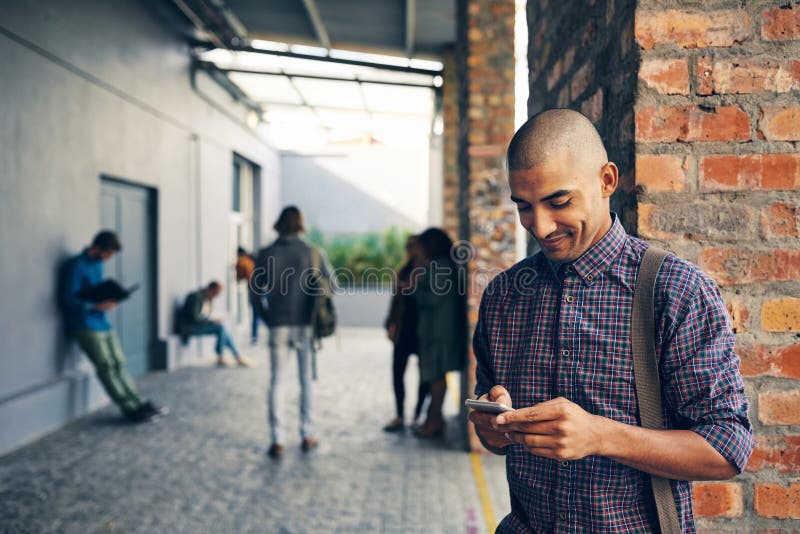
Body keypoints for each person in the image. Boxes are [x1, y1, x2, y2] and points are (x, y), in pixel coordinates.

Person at [469, 109, 754, 532]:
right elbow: (493, 438)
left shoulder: (675, 291)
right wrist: (495, 430)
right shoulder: (504, 296)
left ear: (606, 181)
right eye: (524, 207)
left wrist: (599, 435)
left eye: (558, 201)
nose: (540, 226)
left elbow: (727, 449)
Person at [60, 230, 167, 423]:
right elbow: (68, 300)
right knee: (106, 366)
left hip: (102, 322)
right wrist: (94, 305)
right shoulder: (75, 266)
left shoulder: (97, 264)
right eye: (108, 254)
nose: (109, 258)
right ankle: (128, 408)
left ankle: (139, 402)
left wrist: (110, 300)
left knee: (118, 362)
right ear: (97, 247)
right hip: (84, 325)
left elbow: (96, 291)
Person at [254, 206, 333, 457]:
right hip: (305, 325)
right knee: (305, 381)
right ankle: (306, 434)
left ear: (279, 224)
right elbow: (331, 284)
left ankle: (277, 439)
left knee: (277, 381)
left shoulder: (266, 254)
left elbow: (254, 292)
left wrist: (267, 316)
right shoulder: (312, 253)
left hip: (277, 323)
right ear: (301, 225)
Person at [412, 227, 467, 439]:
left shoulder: (438, 266)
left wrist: (415, 287)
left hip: (437, 333)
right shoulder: (447, 265)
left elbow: (432, 299)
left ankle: (434, 421)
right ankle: (434, 419)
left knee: (436, 377)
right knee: (438, 376)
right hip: (444, 331)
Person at [382, 235, 430, 432]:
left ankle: (418, 414)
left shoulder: (429, 270)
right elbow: (396, 300)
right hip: (404, 328)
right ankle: (400, 415)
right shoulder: (403, 271)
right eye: (408, 246)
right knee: (397, 372)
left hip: (423, 331)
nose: (411, 249)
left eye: (414, 245)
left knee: (424, 375)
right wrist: (390, 323)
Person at [178, 281, 249, 367]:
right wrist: (212, 321)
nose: (215, 297)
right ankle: (225, 356)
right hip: (188, 327)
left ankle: (233, 357)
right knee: (221, 328)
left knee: (224, 331)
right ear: (210, 290)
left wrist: (212, 319)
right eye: (215, 294)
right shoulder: (196, 297)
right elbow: (194, 318)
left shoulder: (205, 298)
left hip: (196, 325)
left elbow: (202, 316)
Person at [235, 246, 261, 345]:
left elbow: (240, 277)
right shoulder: (252, 259)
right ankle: (255, 336)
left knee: (255, 313)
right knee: (258, 313)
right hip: (263, 287)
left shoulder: (242, 261)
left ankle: (254, 337)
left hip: (254, 288)